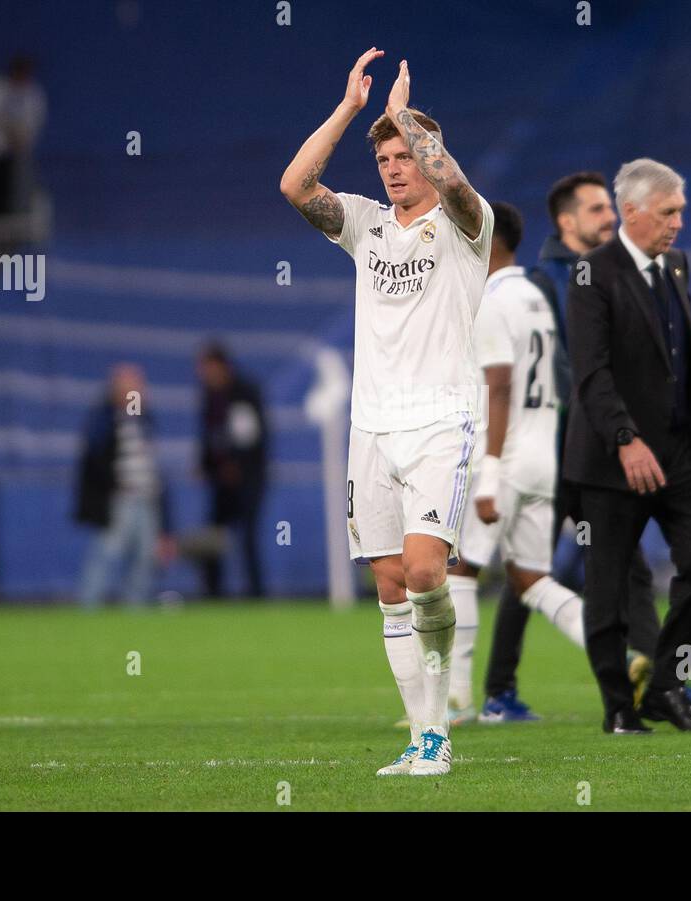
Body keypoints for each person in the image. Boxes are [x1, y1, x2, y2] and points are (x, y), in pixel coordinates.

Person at [280, 50, 493, 776]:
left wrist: (405, 114)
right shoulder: (367, 225)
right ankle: (427, 737)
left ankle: (439, 724)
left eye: (405, 154)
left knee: (429, 571)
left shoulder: (469, 227)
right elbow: (295, 185)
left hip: (441, 422)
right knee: (391, 585)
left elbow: (456, 182)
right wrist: (350, 110)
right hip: (370, 429)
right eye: (387, 158)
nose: (396, 167)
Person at [480, 170, 691, 722]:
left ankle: (661, 682)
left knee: (645, 569)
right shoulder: (545, 281)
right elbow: (575, 366)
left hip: (632, 443)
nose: (607, 217)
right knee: (535, 569)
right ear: (567, 221)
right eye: (596, 210)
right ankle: (504, 688)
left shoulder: (665, 266)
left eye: (607, 209)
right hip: (568, 446)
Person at [564, 158, 691, 734]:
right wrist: (625, 439)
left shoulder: (678, 266)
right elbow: (592, 372)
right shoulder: (592, 273)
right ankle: (618, 707)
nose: (678, 223)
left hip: (678, 451)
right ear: (631, 212)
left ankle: (665, 686)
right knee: (609, 588)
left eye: (680, 212)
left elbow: (677, 361)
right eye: (668, 212)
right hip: (613, 460)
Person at [443, 202, 587, 724]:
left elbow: (498, 387)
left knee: (459, 569)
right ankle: (624, 660)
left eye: (467, 230)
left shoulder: (491, 301)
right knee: (532, 579)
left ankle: (454, 702)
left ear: (489, 239)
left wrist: (489, 472)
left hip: (501, 457)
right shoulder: (534, 295)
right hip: (542, 456)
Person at [75, 364, 175, 606]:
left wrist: (166, 521)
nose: (138, 391)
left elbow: (155, 469)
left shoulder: (145, 422)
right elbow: (93, 461)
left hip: (146, 499)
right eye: (131, 385)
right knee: (106, 557)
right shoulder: (105, 419)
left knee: (144, 561)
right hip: (119, 500)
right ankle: (88, 609)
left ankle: (135, 613)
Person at [196, 342, 268, 598]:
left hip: (248, 479)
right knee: (213, 536)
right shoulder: (209, 396)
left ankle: (255, 594)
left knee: (247, 537)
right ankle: (213, 593)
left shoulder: (244, 393)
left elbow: (253, 437)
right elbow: (208, 437)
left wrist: (238, 466)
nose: (204, 373)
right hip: (221, 481)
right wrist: (205, 465)